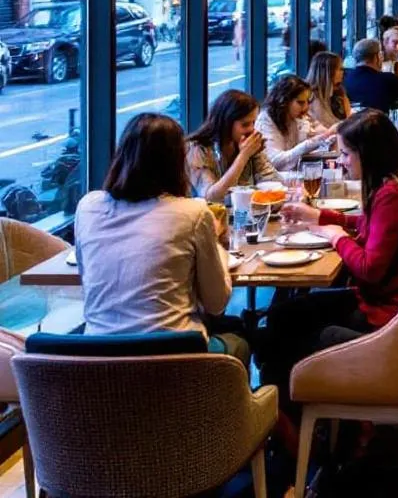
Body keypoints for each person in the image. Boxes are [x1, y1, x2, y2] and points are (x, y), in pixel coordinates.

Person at [258, 111, 398, 403]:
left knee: (286, 335)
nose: (341, 160)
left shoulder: (393, 194)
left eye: (345, 154)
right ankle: (280, 403)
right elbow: (373, 225)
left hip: (393, 316)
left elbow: (370, 269)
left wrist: (336, 237)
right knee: (284, 316)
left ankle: (287, 414)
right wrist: (319, 216)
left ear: (367, 154)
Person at [76, 113, 247, 360]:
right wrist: (216, 239)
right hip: (175, 356)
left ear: (122, 155)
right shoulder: (193, 213)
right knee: (239, 343)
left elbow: (85, 278)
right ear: (176, 162)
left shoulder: (87, 207)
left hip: (96, 357)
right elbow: (216, 304)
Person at [186, 90, 281, 201]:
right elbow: (212, 197)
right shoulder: (197, 149)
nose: (252, 129)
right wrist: (243, 156)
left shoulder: (247, 143)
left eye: (253, 123)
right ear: (226, 122)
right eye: (245, 124)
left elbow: (272, 181)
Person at [255, 74, 334, 171]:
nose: (306, 108)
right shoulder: (266, 121)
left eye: (308, 102)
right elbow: (274, 162)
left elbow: (319, 132)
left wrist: (325, 136)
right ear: (284, 101)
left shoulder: (295, 117)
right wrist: (308, 145)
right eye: (300, 102)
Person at [343, 38, 398, 114]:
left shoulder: (345, 79)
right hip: (379, 122)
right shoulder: (387, 80)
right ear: (376, 57)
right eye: (380, 55)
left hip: (352, 122)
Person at [306, 50, 351, 130]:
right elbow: (326, 124)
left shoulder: (340, 92)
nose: (343, 73)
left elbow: (348, 118)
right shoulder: (312, 97)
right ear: (328, 71)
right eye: (340, 69)